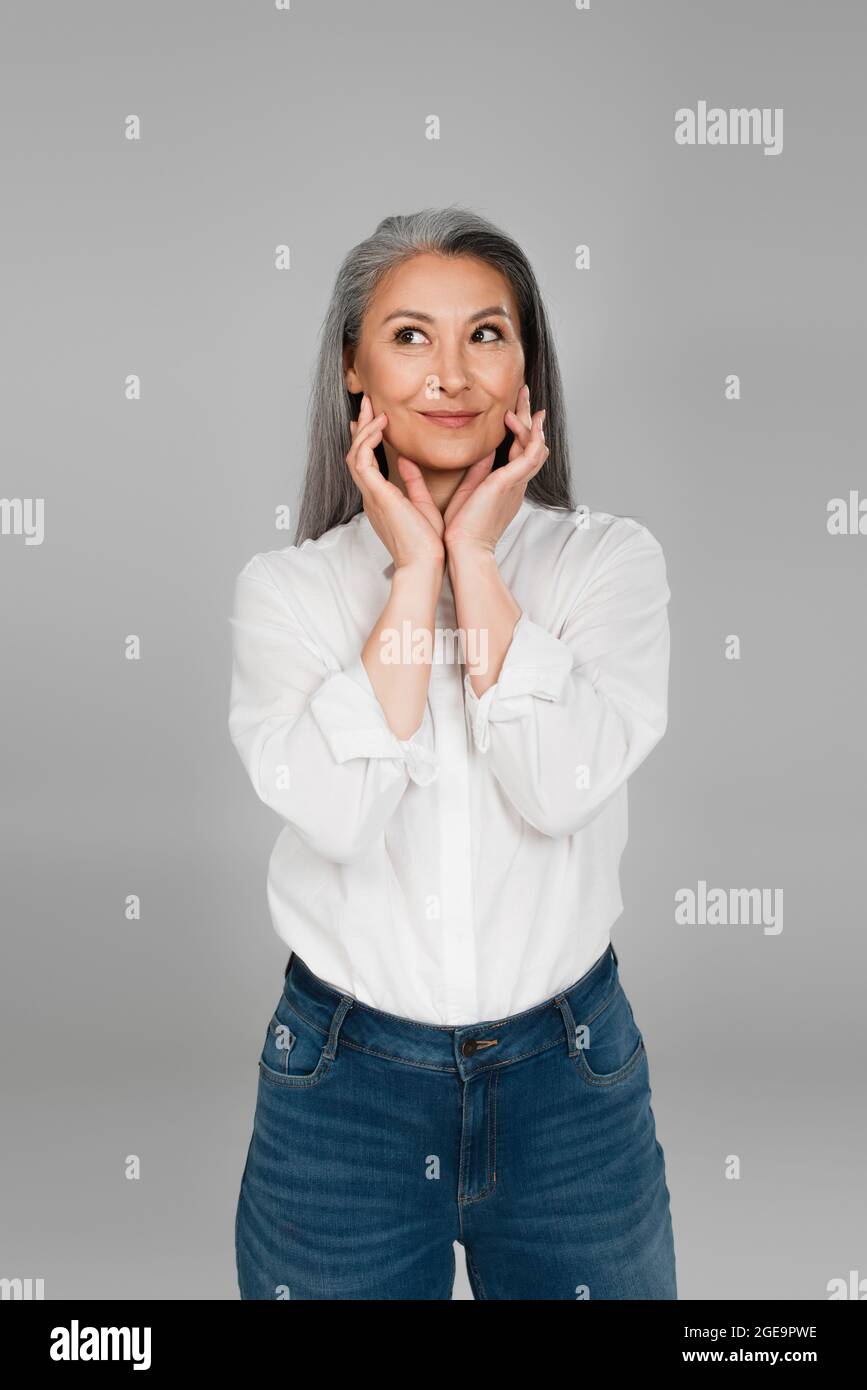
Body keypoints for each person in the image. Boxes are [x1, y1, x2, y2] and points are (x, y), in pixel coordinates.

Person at [228, 206, 677, 1300]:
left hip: (568, 1074)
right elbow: (339, 815)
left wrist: (474, 553)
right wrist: (414, 574)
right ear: (355, 370)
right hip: (346, 1084)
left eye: (487, 333)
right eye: (410, 336)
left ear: (528, 367)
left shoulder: (608, 563)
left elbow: (557, 786)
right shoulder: (285, 592)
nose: (452, 372)